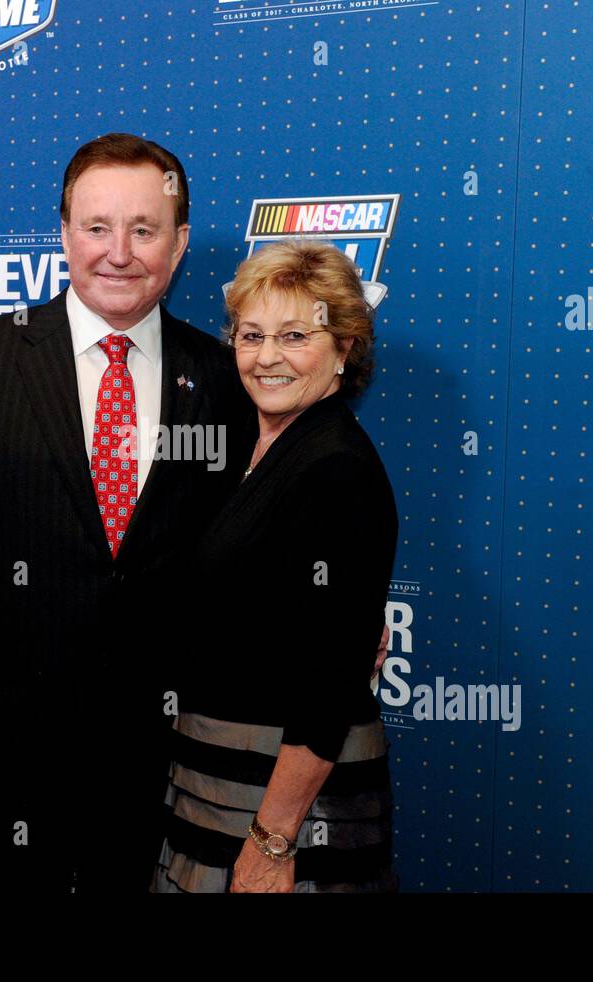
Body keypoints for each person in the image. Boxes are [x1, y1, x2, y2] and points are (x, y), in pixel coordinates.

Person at [0, 132, 254, 893]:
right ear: (64, 235)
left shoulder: (223, 377)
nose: (119, 252)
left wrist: (340, 603)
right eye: (97, 227)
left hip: (167, 755)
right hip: (5, 751)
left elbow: (247, 536)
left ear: (178, 246)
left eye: (144, 230)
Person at [153, 239, 399, 893]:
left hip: (285, 803)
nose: (267, 357)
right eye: (251, 335)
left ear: (344, 346)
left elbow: (331, 682)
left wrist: (272, 841)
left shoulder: (334, 467)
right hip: (216, 776)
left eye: (295, 336)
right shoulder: (249, 442)